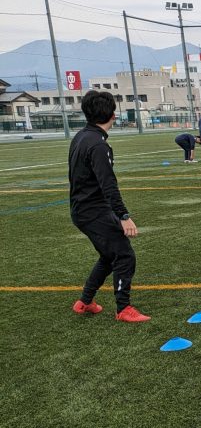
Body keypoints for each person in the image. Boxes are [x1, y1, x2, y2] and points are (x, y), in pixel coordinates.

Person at [68, 90, 149, 322]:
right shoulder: (97, 145)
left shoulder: (81, 137)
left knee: (108, 255)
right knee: (124, 256)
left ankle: (85, 301)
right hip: (93, 210)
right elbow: (108, 184)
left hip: (82, 209)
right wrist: (123, 216)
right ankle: (123, 309)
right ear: (112, 115)